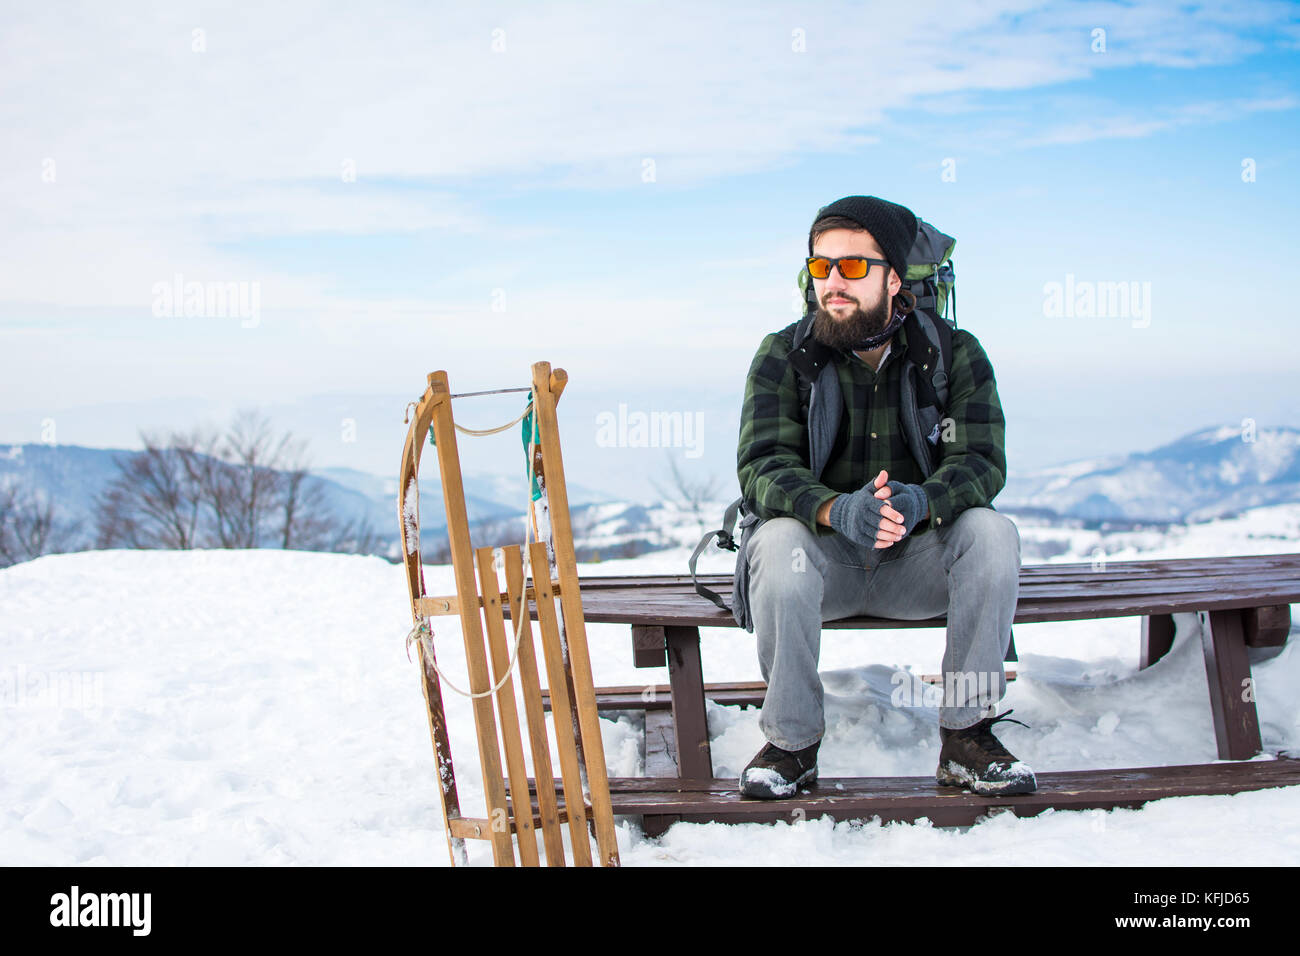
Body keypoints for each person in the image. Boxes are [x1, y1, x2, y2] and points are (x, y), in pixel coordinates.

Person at [735, 195, 1034, 799]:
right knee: (777, 536)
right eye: (821, 267)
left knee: (992, 532)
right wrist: (834, 508)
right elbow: (763, 465)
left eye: (852, 266)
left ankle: (968, 736)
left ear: (894, 278)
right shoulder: (783, 355)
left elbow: (981, 460)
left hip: (919, 568)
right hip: (819, 570)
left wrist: (923, 501)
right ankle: (791, 745)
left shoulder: (954, 354)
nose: (833, 282)